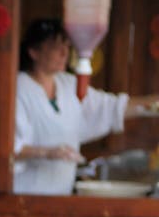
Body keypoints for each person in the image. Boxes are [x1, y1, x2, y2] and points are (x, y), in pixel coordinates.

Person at [14, 18, 159, 195]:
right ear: (33, 52)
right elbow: (9, 147)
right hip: (24, 194)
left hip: (61, 193)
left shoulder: (69, 84)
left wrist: (151, 104)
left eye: (66, 46)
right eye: (55, 47)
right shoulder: (18, 88)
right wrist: (47, 153)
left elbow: (109, 107)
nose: (64, 52)